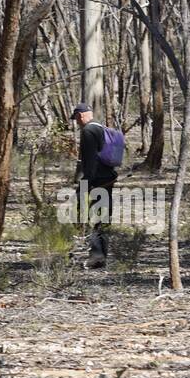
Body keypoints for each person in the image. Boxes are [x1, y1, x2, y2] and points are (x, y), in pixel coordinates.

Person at [72, 103, 116, 268]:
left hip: (97, 180)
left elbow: (89, 161)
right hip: (108, 178)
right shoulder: (101, 127)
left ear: (80, 116)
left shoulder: (89, 131)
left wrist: (85, 184)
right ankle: (100, 257)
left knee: (95, 217)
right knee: (103, 218)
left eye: (76, 119)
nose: (76, 122)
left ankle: (97, 258)